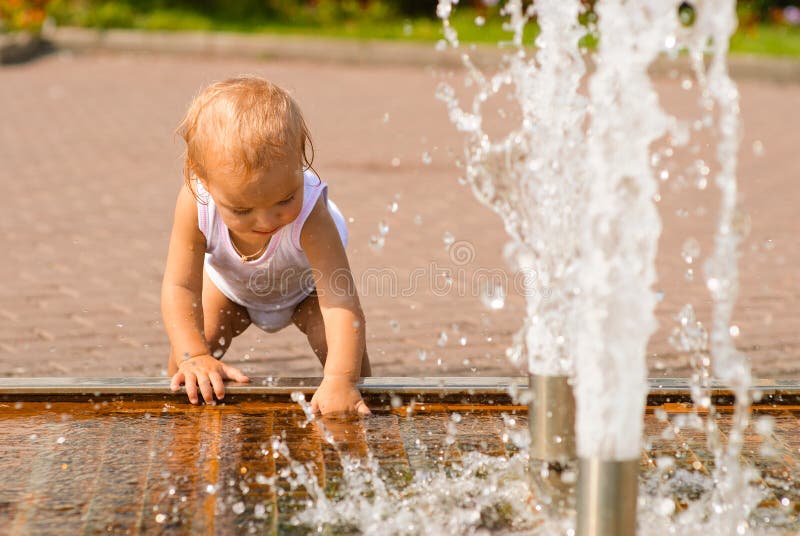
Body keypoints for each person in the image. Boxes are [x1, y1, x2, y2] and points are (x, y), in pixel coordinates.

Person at [162, 76, 371, 415]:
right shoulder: (195, 203)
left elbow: (340, 303)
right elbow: (180, 286)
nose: (266, 221)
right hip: (230, 291)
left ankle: (363, 406)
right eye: (242, 210)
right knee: (191, 349)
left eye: (285, 199)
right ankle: (178, 415)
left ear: (301, 158)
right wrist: (194, 355)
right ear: (203, 179)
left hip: (305, 293)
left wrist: (341, 379)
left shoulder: (311, 212)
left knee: (345, 356)